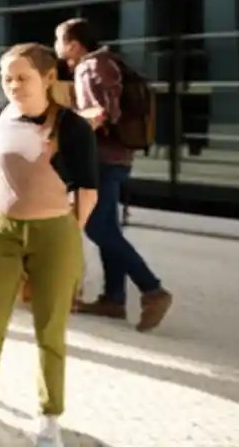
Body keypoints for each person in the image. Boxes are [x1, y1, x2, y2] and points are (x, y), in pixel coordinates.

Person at [0, 43, 98, 447]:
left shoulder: (72, 127)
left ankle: (49, 418)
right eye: (7, 78)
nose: (13, 85)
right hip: (0, 233)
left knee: (50, 332)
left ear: (48, 78)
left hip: (54, 233)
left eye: (23, 77)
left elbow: (87, 191)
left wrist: (68, 232)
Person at [55, 18, 172, 331]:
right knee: (107, 228)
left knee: (95, 227)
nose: (56, 46)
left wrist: (69, 127)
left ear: (73, 44)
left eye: (58, 39)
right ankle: (114, 298)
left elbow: (104, 113)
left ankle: (152, 290)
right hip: (117, 157)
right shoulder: (109, 62)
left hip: (102, 159)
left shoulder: (89, 67)